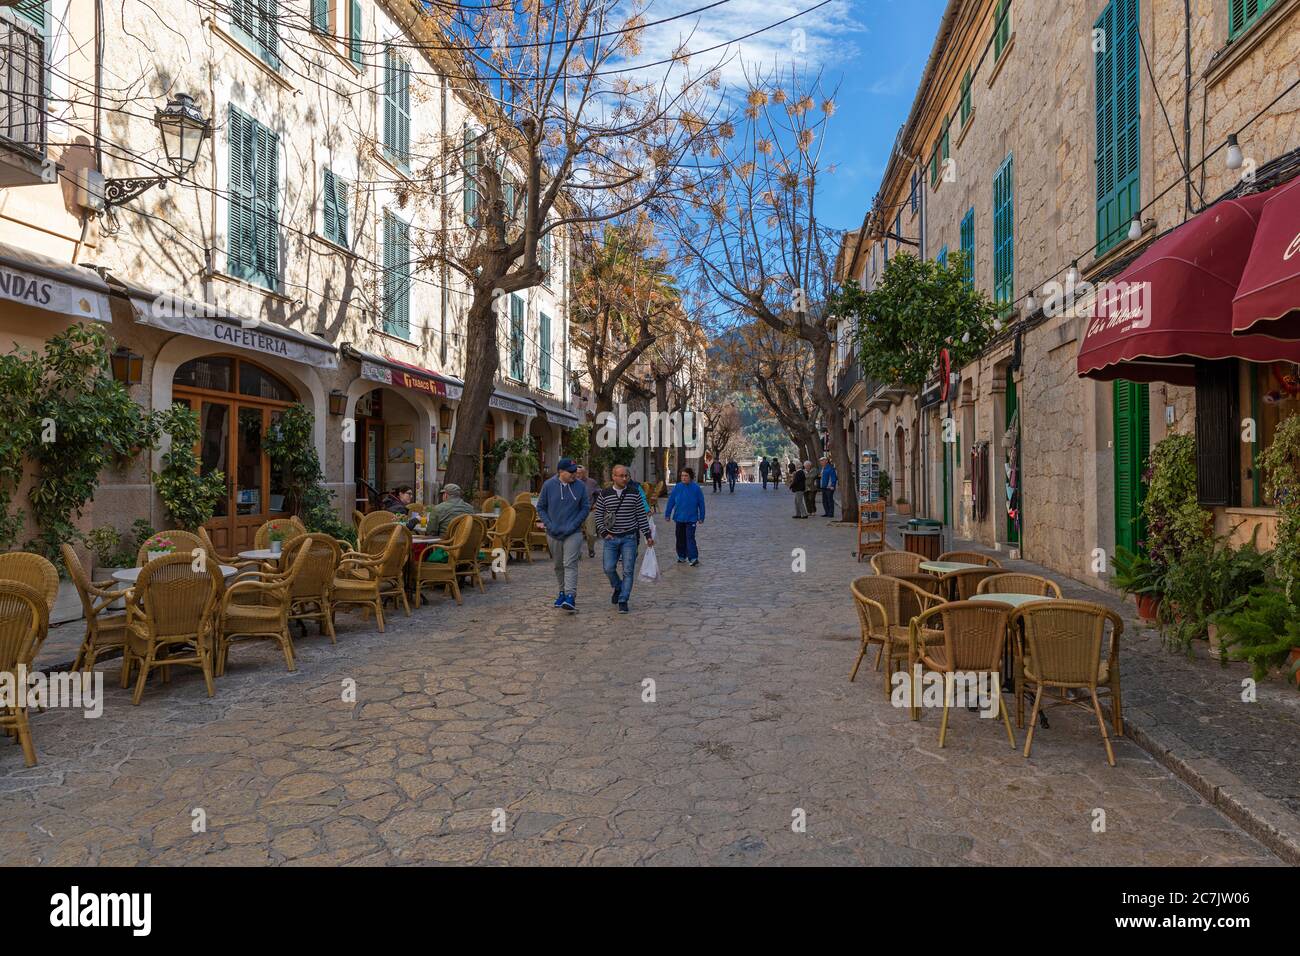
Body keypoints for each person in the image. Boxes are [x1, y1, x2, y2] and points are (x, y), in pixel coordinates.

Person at [593, 464, 655, 614]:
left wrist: (647, 535)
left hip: (629, 537)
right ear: (613, 477)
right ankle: (618, 586)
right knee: (608, 568)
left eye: (626, 475)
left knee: (628, 570)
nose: (624, 478)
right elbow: (598, 514)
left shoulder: (634, 493)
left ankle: (623, 600)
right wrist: (603, 532)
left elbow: (641, 515)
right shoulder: (605, 494)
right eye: (621, 476)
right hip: (611, 538)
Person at [536, 457, 590, 612]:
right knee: (558, 565)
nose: (575, 474)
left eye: (575, 472)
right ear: (560, 471)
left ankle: (570, 596)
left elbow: (585, 508)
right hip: (553, 532)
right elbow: (541, 507)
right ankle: (562, 592)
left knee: (570, 564)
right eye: (571, 472)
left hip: (573, 533)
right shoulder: (548, 485)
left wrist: (574, 525)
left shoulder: (580, 486)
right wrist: (549, 524)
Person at [664, 467, 706, 565]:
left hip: (691, 519)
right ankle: (681, 556)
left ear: (690, 477)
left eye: (686, 476)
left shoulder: (696, 489)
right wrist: (667, 514)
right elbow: (671, 501)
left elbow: (701, 503)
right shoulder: (677, 487)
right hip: (679, 518)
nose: (683, 478)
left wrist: (701, 517)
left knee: (690, 538)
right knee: (679, 538)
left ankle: (693, 557)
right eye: (682, 476)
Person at [576, 464, 600, 557]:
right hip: (576, 512)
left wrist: (596, 503)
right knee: (576, 533)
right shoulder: (572, 482)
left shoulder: (592, 482)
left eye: (580, 473)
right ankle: (577, 552)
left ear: (585, 473)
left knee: (591, 533)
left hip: (589, 511)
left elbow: (599, 494)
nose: (578, 475)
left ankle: (591, 549)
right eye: (577, 473)